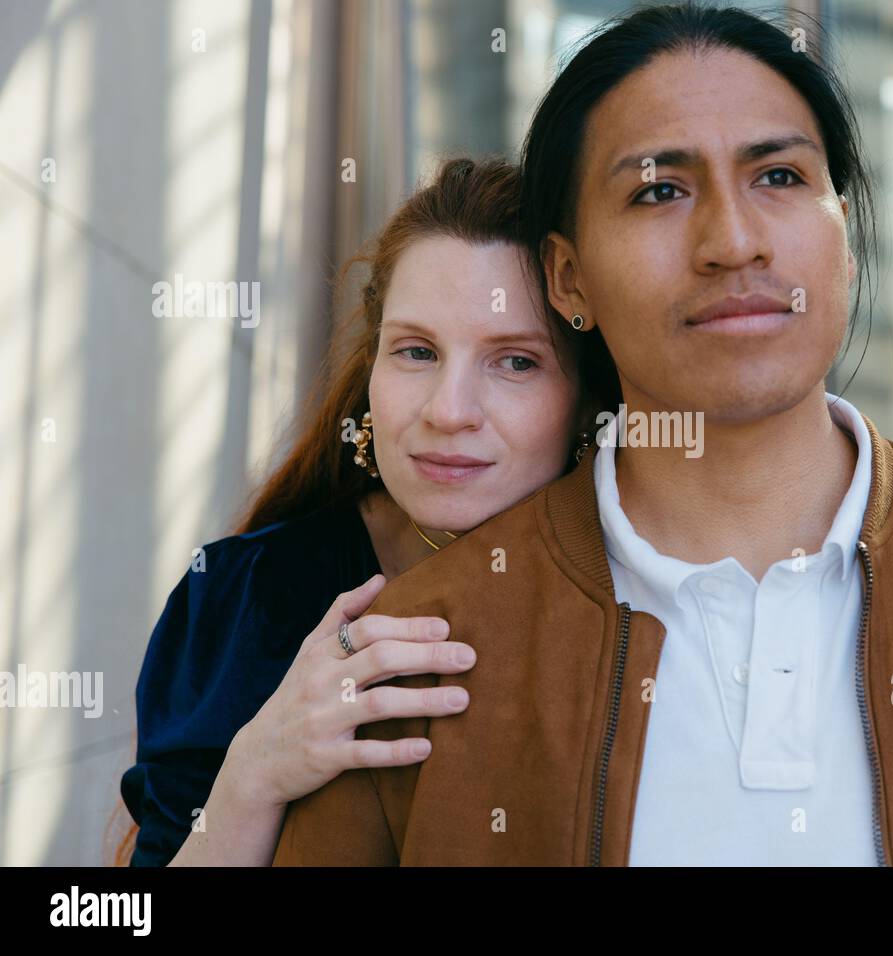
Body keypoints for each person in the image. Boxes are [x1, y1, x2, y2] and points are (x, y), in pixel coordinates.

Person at [271, 3, 893, 866]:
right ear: (568, 281)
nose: (733, 241)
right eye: (657, 191)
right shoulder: (423, 653)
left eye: (779, 176)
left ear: (841, 232)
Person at [118, 157, 619, 865]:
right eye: (417, 352)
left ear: (584, 406)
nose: (449, 411)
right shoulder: (246, 598)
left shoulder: (641, 592)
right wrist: (254, 772)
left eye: (515, 362)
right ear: (372, 365)